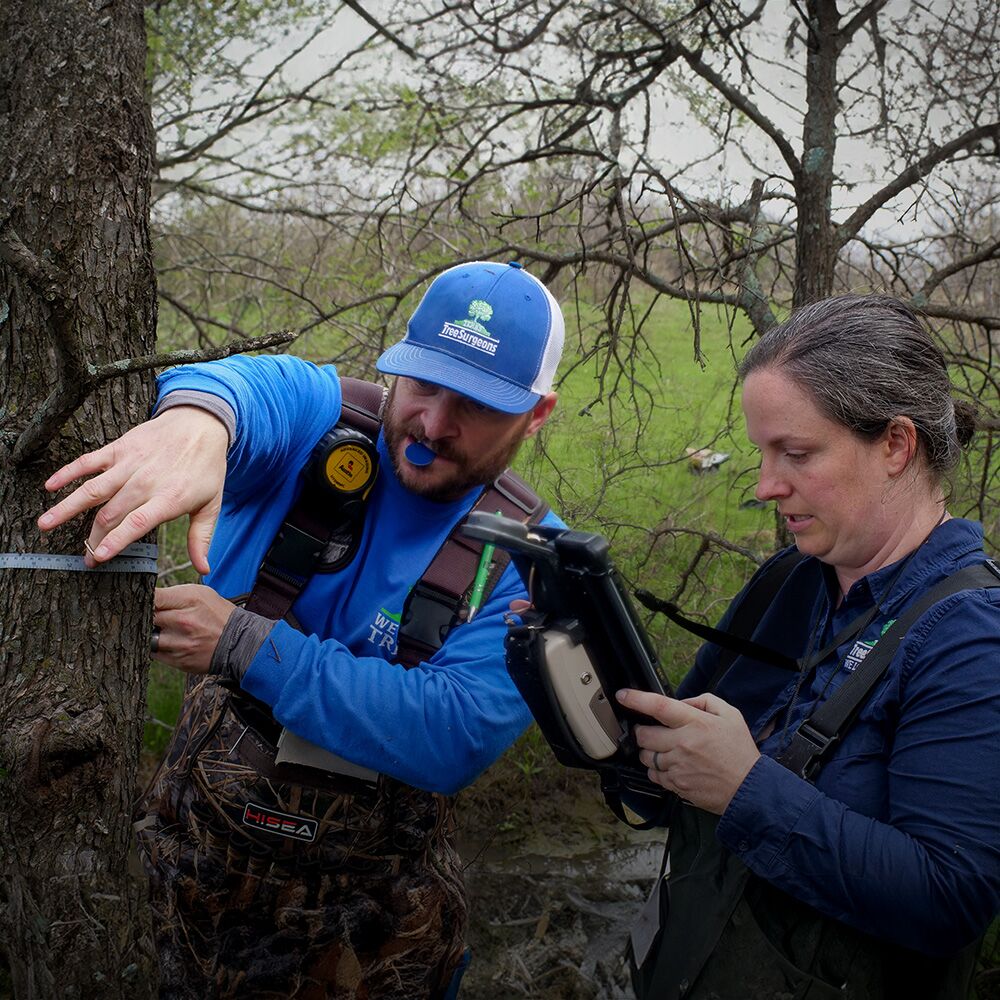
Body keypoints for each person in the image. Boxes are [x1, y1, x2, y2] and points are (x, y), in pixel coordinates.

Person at [38, 260, 565, 999]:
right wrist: (195, 427)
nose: (433, 425)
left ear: (537, 414)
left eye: (474, 406)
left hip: (374, 938)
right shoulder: (323, 423)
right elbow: (243, 387)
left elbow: (454, 734)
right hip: (187, 884)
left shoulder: (536, 560)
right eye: (423, 386)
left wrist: (247, 646)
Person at [618, 295, 1000, 999]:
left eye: (796, 453)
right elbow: (667, 775)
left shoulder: (972, 639)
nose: (766, 485)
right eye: (764, 452)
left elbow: (951, 896)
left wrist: (745, 788)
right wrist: (581, 690)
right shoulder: (793, 581)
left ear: (895, 445)